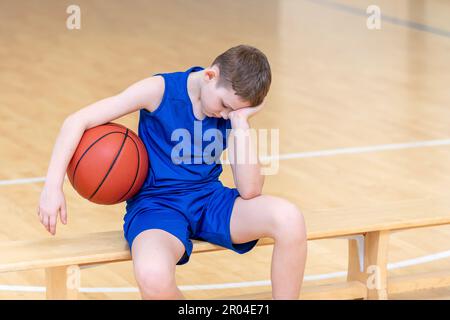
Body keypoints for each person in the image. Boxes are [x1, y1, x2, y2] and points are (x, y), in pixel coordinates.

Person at [37, 44, 307, 300]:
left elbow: (250, 191)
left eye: (234, 111)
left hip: (208, 201)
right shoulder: (159, 90)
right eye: (225, 105)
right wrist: (52, 186)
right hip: (156, 207)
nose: (225, 114)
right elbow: (77, 120)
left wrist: (241, 123)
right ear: (211, 75)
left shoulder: (232, 116)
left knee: (289, 218)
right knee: (152, 277)